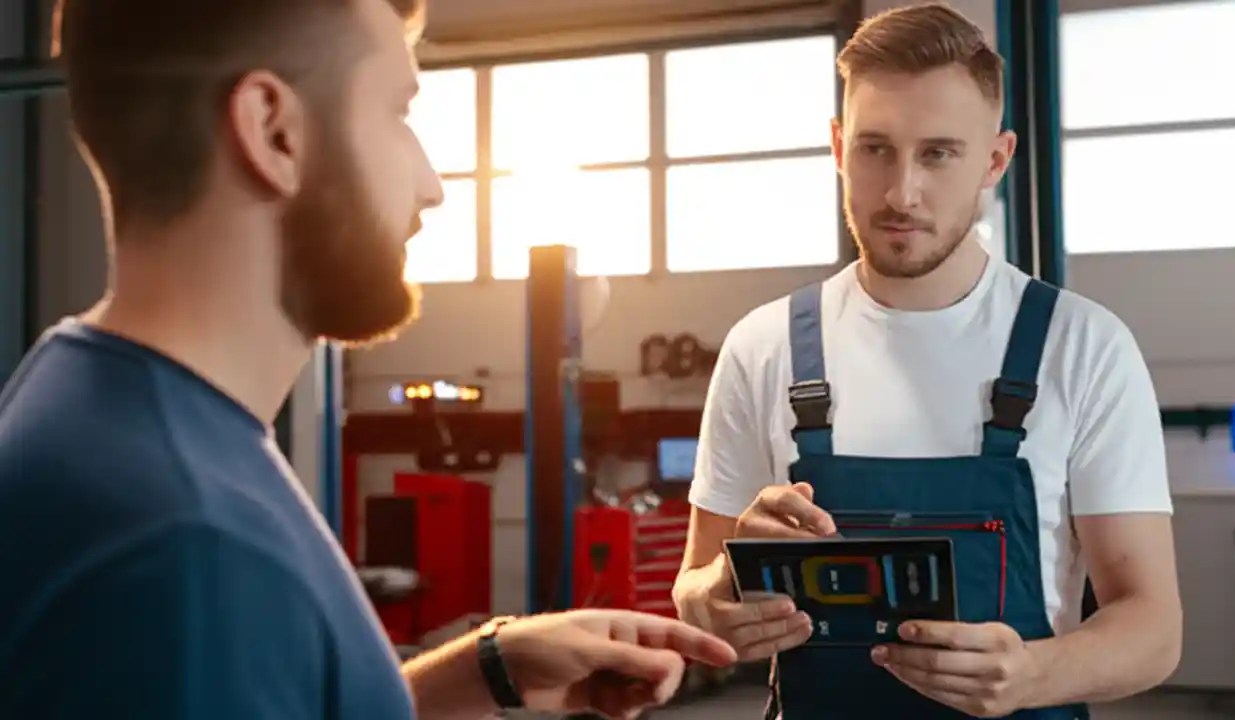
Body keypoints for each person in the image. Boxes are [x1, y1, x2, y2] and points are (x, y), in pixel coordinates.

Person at [0, 0, 737, 718]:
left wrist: (482, 673)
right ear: (273, 130)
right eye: (398, 111)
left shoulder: (87, 403)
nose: (432, 186)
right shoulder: (189, 550)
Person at [672, 3, 1181, 719]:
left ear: (995, 159)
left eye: (938, 153)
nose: (900, 192)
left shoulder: (1085, 348)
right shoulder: (764, 347)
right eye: (875, 149)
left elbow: (1154, 629)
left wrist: (1035, 674)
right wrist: (715, 605)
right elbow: (694, 584)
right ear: (837, 145)